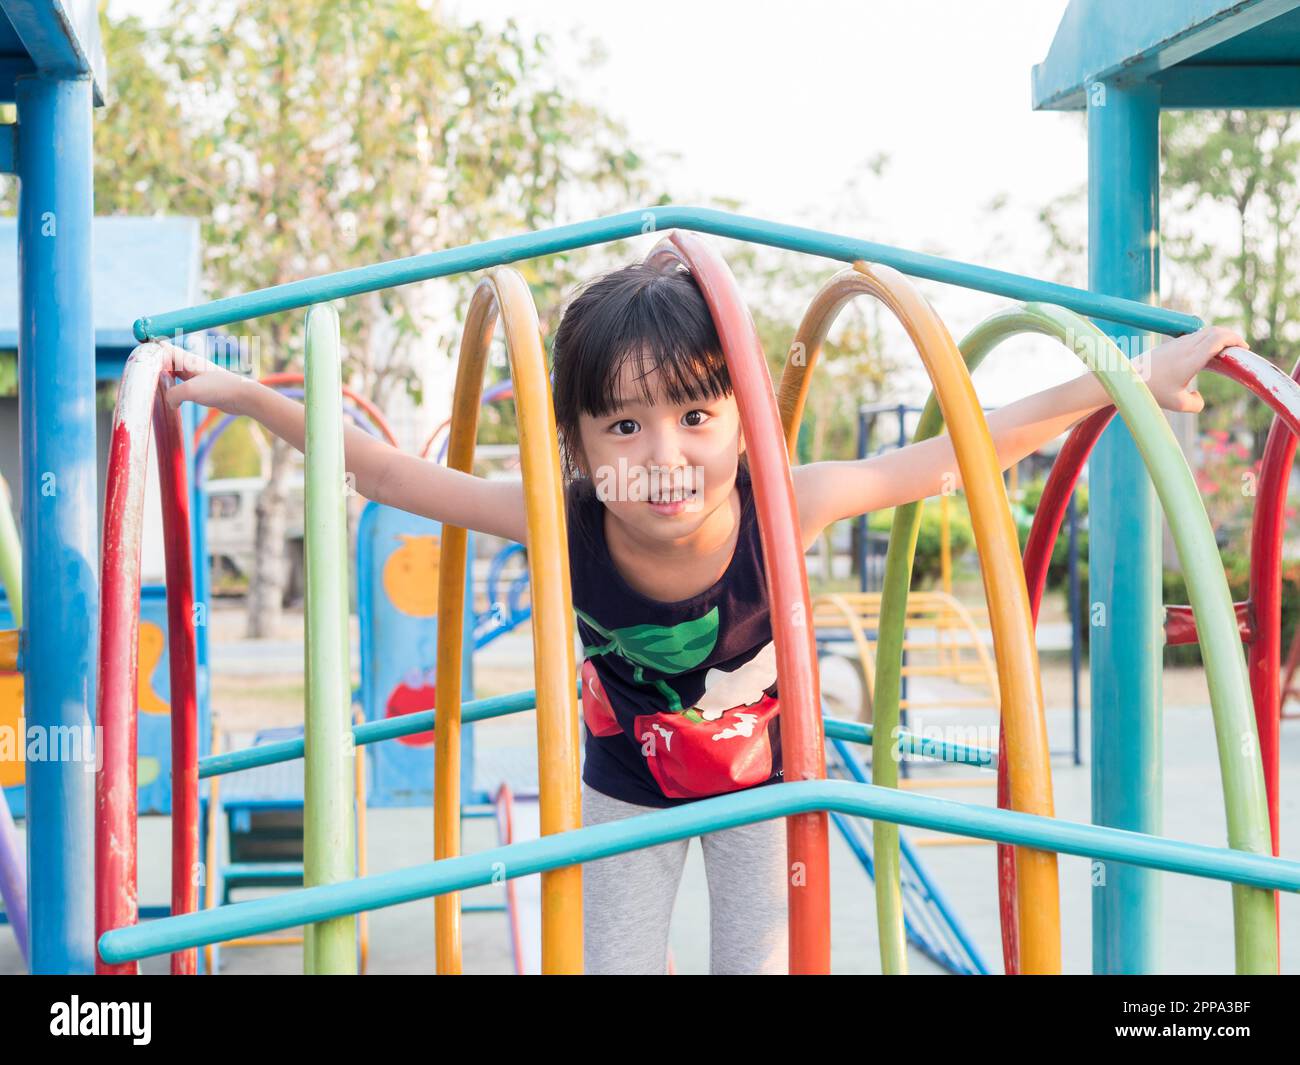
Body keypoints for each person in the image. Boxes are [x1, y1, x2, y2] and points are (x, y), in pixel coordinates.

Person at [160, 254, 1246, 975]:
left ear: (742, 422)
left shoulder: (785, 505)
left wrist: (1132, 376)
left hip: (767, 784)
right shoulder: (562, 517)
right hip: (627, 786)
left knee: (761, 962)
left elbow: (964, 445)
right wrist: (254, 397)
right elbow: (390, 477)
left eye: (693, 413)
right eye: (622, 425)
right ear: (576, 443)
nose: (664, 455)